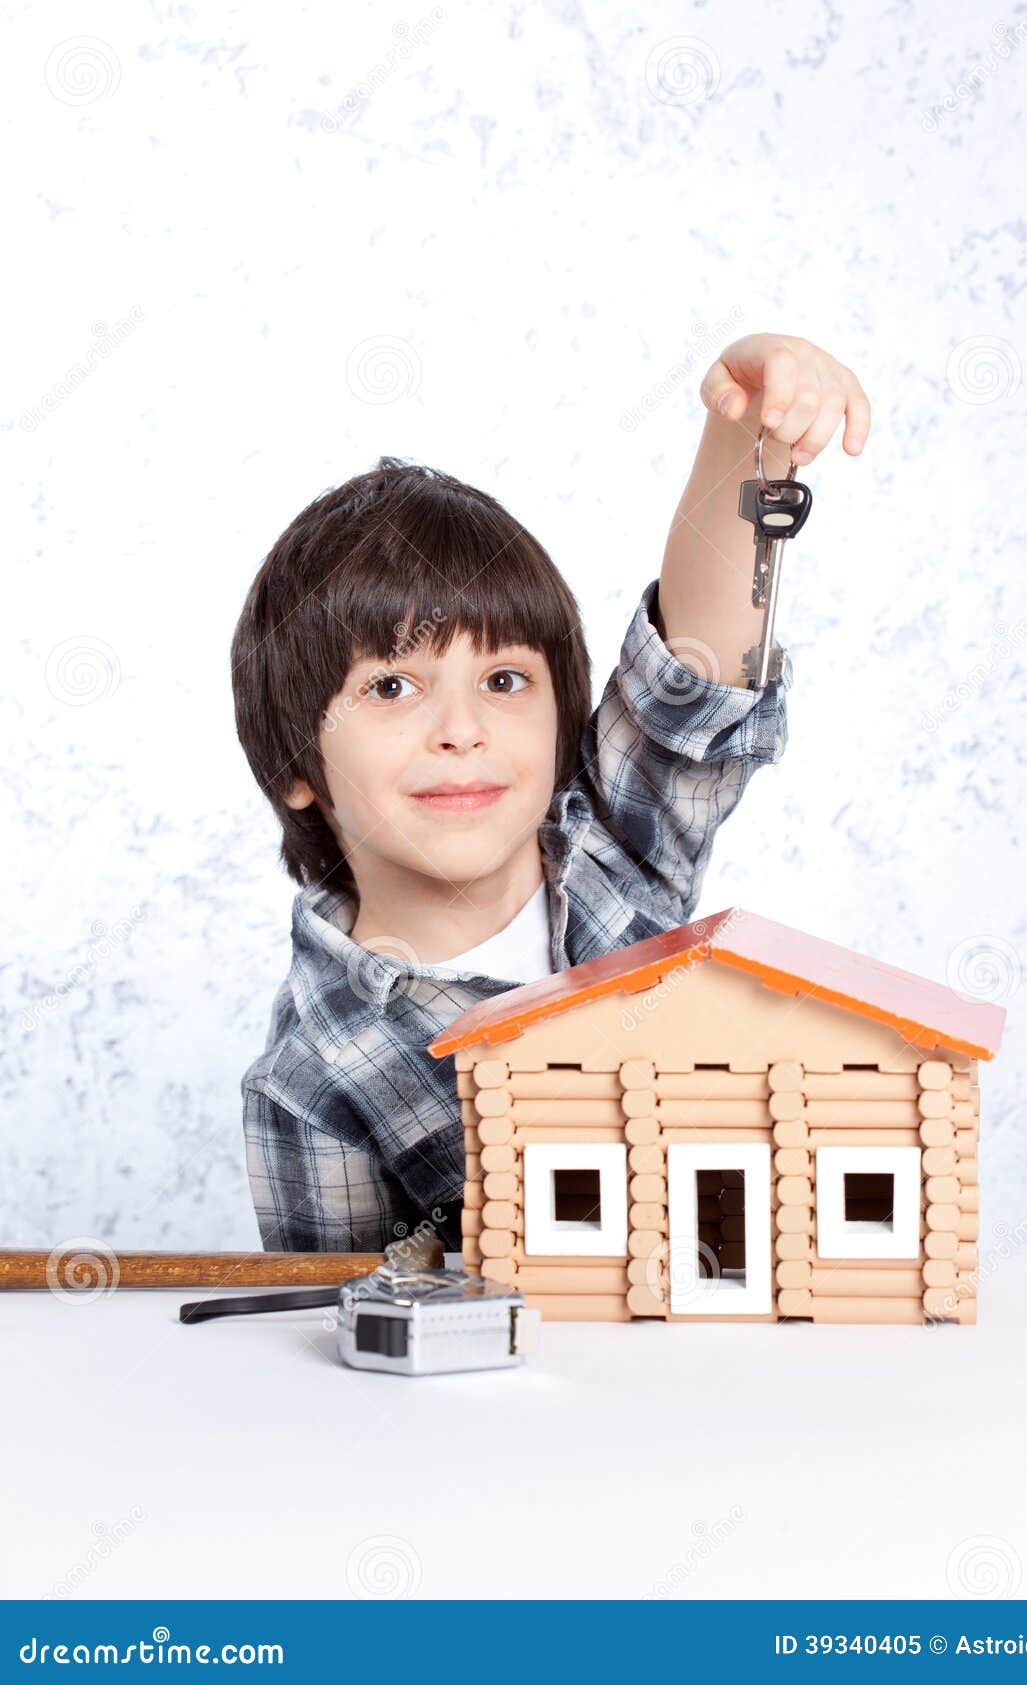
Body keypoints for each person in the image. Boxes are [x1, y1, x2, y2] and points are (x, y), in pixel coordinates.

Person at [230, 333, 870, 1254]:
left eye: (502, 681)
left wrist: (745, 432)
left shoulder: (617, 847)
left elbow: (695, 676)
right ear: (295, 761)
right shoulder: (310, 1081)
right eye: (391, 687)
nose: (462, 729)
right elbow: (349, 1334)